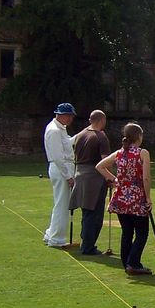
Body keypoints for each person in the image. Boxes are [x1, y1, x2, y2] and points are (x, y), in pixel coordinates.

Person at [96, 123, 153, 276]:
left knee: (127, 231)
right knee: (142, 233)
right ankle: (133, 263)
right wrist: (148, 198)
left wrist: (114, 179)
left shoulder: (119, 153)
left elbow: (100, 166)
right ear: (139, 136)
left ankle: (126, 262)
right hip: (137, 198)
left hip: (121, 197)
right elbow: (146, 178)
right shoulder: (142, 153)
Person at [69, 109, 111, 255]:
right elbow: (105, 161)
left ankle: (85, 242)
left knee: (86, 212)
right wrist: (110, 177)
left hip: (80, 175)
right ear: (102, 120)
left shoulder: (80, 135)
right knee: (95, 214)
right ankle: (88, 246)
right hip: (94, 178)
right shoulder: (101, 136)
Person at [43, 103, 77, 248]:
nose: (70, 119)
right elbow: (58, 157)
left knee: (60, 203)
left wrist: (82, 133)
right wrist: (68, 176)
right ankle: (56, 239)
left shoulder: (60, 129)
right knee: (62, 206)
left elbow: (67, 143)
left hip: (63, 167)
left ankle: (51, 233)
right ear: (59, 115)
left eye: (71, 116)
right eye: (68, 115)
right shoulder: (54, 130)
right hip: (61, 168)